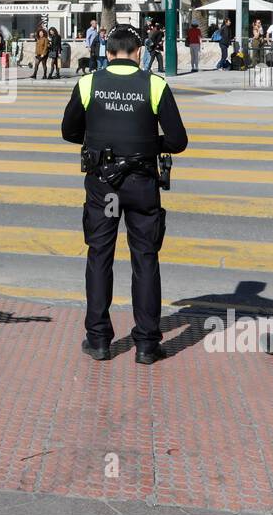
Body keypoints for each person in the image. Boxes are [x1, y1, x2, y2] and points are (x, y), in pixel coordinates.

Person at [61, 24, 189, 365]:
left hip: (104, 185)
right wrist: (146, 146)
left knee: (99, 256)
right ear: (138, 52)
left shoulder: (88, 83)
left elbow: (68, 130)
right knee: (145, 259)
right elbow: (178, 141)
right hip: (142, 184)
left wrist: (99, 142)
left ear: (108, 52)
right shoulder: (155, 84)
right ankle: (147, 344)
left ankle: (99, 340)